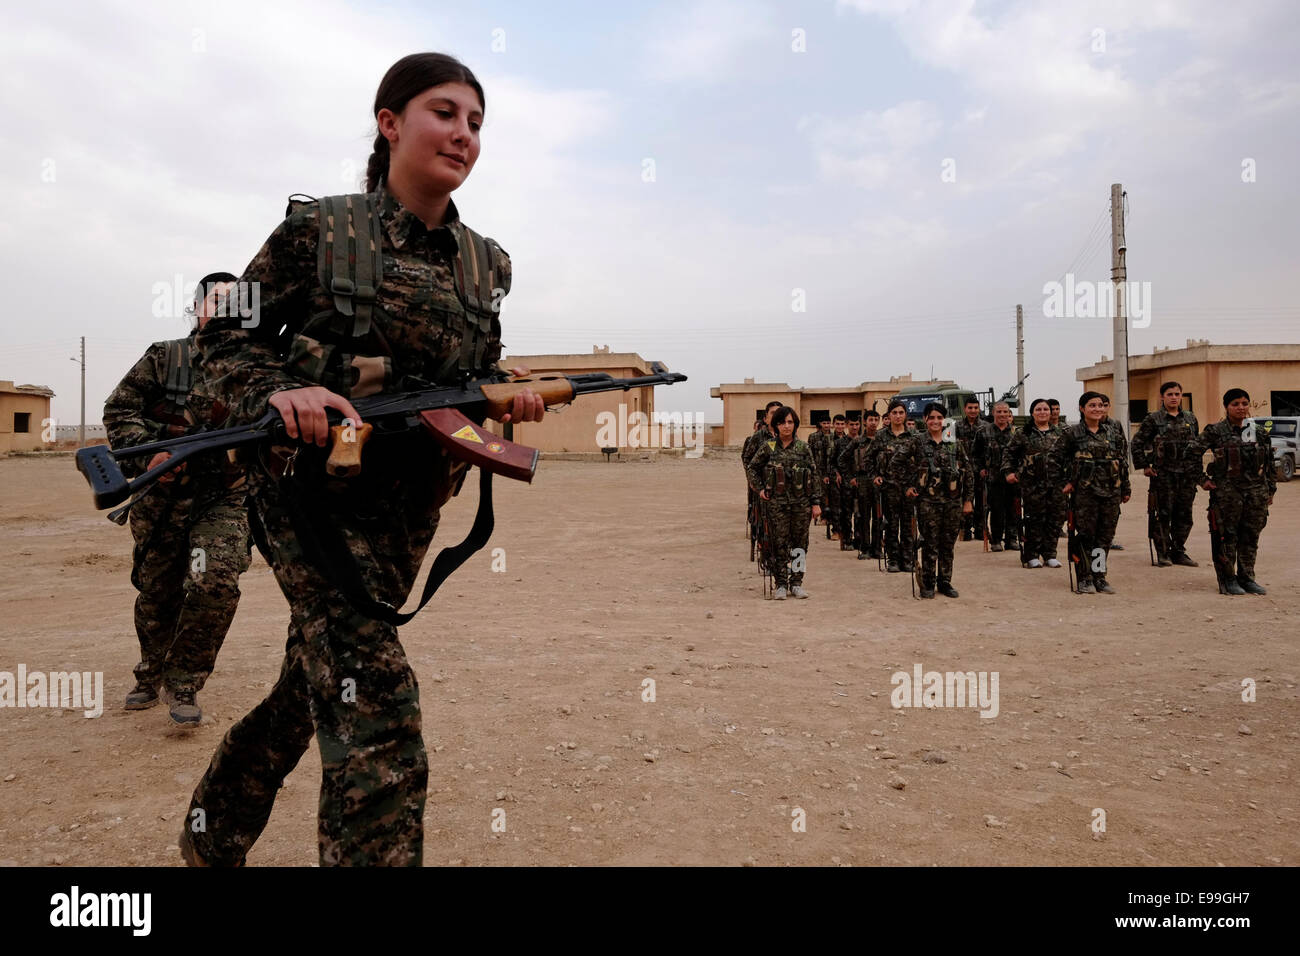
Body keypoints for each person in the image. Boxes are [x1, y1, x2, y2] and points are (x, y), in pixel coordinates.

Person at [181, 53, 546, 867]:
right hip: (308, 498)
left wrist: (504, 398)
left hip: (408, 512)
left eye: (477, 123)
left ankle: (212, 833)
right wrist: (280, 393)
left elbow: (473, 371)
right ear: (390, 124)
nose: (463, 134)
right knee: (376, 703)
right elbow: (221, 333)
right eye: (445, 113)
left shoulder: (487, 264)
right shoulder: (320, 230)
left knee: (309, 691)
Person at [104, 273, 252, 727]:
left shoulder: (258, 367)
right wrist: (151, 455)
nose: (226, 310)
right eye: (217, 301)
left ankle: (184, 679)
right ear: (197, 308)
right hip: (162, 493)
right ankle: (150, 671)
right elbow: (119, 409)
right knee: (157, 590)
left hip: (223, 497)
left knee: (215, 580)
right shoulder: (166, 357)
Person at [1051, 391, 1131, 594]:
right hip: (1085, 494)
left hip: (1111, 493)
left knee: (1104, 538)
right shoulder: (1073, 434)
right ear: (1082, 408)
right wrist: (1065, 483)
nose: (1097, 409)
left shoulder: (1113, 432)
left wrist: (1125, 488)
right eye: (1092, 406)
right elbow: (1053, 460)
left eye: (1101, 406)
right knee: (1086, 536)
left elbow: (1122, 462)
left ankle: (1099, 576)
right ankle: (1084, 577)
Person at [890, 403, 974, 597]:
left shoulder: (954, 443)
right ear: (925, 420)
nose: (935, 421)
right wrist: (907, 487)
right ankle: (928, 583)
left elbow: (968, 472)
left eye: (939, 418)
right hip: (927, 502)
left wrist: (968, 500)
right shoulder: (917, 442)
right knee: (929, 543)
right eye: (931, 418)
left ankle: (945, 582)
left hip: (952, 502)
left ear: (944, 420)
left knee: (947, 544)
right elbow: (896, 464)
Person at [1199, 388, 1275, 595]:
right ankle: (1227, 579)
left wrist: (1271, 490)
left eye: (1244, 403)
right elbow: (1191, 454)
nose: (1241, 408)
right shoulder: (1215, 431)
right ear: (1226, 407)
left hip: (1256, 495)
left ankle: (1247, 577)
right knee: (1226, 536)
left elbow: (1269, 463)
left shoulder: (1259, 432)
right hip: (1227, 495)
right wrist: (1202, 480)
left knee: (1250, 536)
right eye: (1235, 404)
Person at [745, 406, 823, 600]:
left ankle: (796, 583)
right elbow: (752, 468)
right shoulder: (769, 446)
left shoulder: (803, 448)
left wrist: (816, 503)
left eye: (790, 422)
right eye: (782, 422)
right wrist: (760, 488)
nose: (786, 426)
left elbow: (814, 475)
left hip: (800, 504)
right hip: (776, 504)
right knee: (777, 544)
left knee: (799, 545)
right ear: (776, 425)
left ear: (795, 425)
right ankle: (780, 583)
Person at [1132, 381, 1200, 567]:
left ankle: (1178, 551)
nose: (1173, 397)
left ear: (1181, 396)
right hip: (1163, 475)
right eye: (1169, 394)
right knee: (1162, 514)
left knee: (1184, 515)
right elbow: (1137, 443)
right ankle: (1163, 553)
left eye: (1177, 394)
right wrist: (1145, 466)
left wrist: (1197, 472)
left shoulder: (1190, 419)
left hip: (1186, 475)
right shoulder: (1153, 419)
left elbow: (1196, 446)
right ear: (1162, 397)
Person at [1003, 399, 1065, 569]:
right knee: (1034, 520)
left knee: (1055, 519)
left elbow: (1068, 457)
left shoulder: (1061, 433)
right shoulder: (1023, 433)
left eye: (1046, 409)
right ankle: (1032, 555)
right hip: (1032, 484)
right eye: (1038, 409)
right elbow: (1009, 453)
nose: (1043, 412)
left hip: (1056, 484)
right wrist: (1009, 472)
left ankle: (1050, 554)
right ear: (1032, 413)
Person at [870, 400, 914, 573]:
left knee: (908, 526)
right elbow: (868, 459)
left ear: (905, 415)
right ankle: (893, 560)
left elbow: (920, 462)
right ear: (888, 415)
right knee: (891, 526)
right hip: (889, 488)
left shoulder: (913, 437)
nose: (897, 416)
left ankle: (907, 560)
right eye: (894, 413)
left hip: (908, 489)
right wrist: (875, 476)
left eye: (900, 413)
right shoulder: (881, 437)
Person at [975, 402, 1019, 552]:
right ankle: (997, 540)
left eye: (1005, 412)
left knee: (1013, 509)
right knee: (996, 510)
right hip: (993, 478)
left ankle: (1012, 539)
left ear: (1009, 414)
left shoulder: (1016, 432)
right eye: (999, 411)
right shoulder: (983, 431)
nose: (1002, 415)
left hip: (1012, 478)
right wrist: (980, 468)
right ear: (993, 413)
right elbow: (975, 454)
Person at [840, 408, 882, 559]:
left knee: (878, 516)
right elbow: (842, 459)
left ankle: (877, 548)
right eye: (870, 420)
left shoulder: (882, 439)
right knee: (863, 517)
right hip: (863, 481)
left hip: (879, 481)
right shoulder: (858, 441)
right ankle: (864, 548)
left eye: (876, 420)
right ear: (865, 422)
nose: (873, 423)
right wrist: (850, 477)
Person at [954, 398, 988, 541]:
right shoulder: (957, 426)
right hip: (963, 470)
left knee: (981, 501)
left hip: (980, 470)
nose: (973, 410)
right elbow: (951, 447)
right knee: (965, 500)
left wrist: (985, 467)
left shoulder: (986, 426)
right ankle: (965, 529)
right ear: (965, 409)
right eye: (970, 408)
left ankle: (980, 529)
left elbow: (988, 450)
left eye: (975, 407)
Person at [1098, 394, 1126, 550]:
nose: (1100, 408)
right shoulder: (1078, 430)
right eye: (1095, 405)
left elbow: (1122, 452)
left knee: (1112, 515)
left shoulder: (1115, 425)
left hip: (1112, 479)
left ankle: (1098, 569)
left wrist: (1125, 484)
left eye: (1104, 405)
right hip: (1089, 485)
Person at [834, 415, 862, 550]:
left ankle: (858, 538)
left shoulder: (863, 441)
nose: (855, 427)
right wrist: (838, 474)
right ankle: (846, 538)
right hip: (846, 482)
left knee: (859, 513)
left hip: (861, 482)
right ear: (847, 425)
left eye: (857, 424)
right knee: (846, 512)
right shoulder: (840, 443)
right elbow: (834, 462)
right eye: (852, 424)